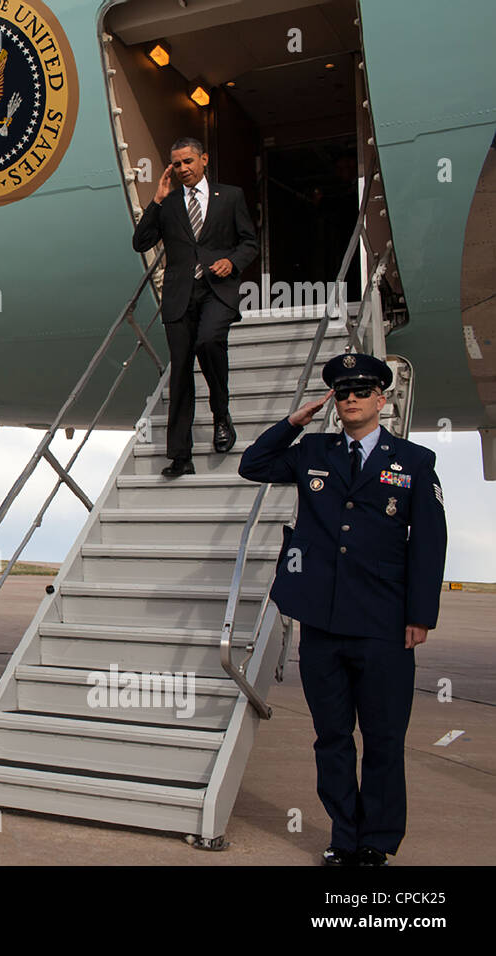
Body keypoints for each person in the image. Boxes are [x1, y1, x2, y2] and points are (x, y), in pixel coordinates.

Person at [238, 352, 447, 866]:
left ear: (382, 399)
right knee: (331, 736)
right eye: (342, 393)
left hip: (384, 625)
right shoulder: (313, 451)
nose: (351, 400)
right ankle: (344, 835)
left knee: (382, 738)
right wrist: (293, 421)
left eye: (361, 392)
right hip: (324, 622)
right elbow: (253, 465)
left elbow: (429, 543)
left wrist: (420, 615)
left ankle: (377, 841)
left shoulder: (414, 462)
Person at [132, 136, 259, 478]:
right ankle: (180, 456)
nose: (183, 169)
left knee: (208, 341)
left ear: (204, 159)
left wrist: (232, 263)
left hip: (217, 289)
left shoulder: (230, 196)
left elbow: (250, 242)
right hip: (179, 295)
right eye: (176, 164)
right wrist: (156, 202)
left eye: (188, 161)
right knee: (181, 374)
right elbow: (140, 242)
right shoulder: (170, 204)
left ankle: (221, 414)